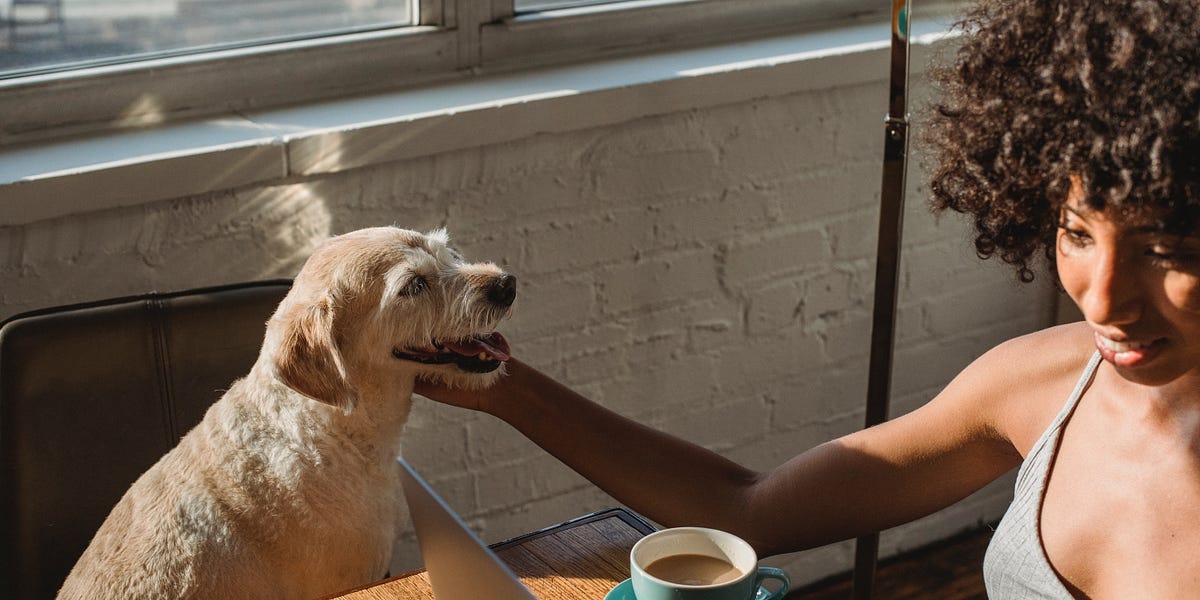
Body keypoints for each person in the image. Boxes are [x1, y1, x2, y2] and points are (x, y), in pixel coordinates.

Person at [415, 1, 1200, 597]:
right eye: (1076, 232)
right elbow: (744, 510)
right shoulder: (1044, 383)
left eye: (1167, 252)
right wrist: (497, 385)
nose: (1105, 300)